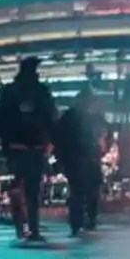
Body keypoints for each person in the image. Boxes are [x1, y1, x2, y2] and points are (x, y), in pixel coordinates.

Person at [0, 56, 56, 242]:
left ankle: (22, 227)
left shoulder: (9, 91)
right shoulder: (42, 91)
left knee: (16, 188)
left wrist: (6, 143)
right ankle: (33, 229)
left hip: (16, 147)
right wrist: (48, 141)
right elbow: (51, 118)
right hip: (36, 147)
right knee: (32, 192)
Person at [54, 86, 107, 237]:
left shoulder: (71, 117)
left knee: (81, 192)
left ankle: (79, 223)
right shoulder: (88, 117)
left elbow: (57, 138)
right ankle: (86, 221)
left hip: (79, 159)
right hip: (82, 159)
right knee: (85, 192)